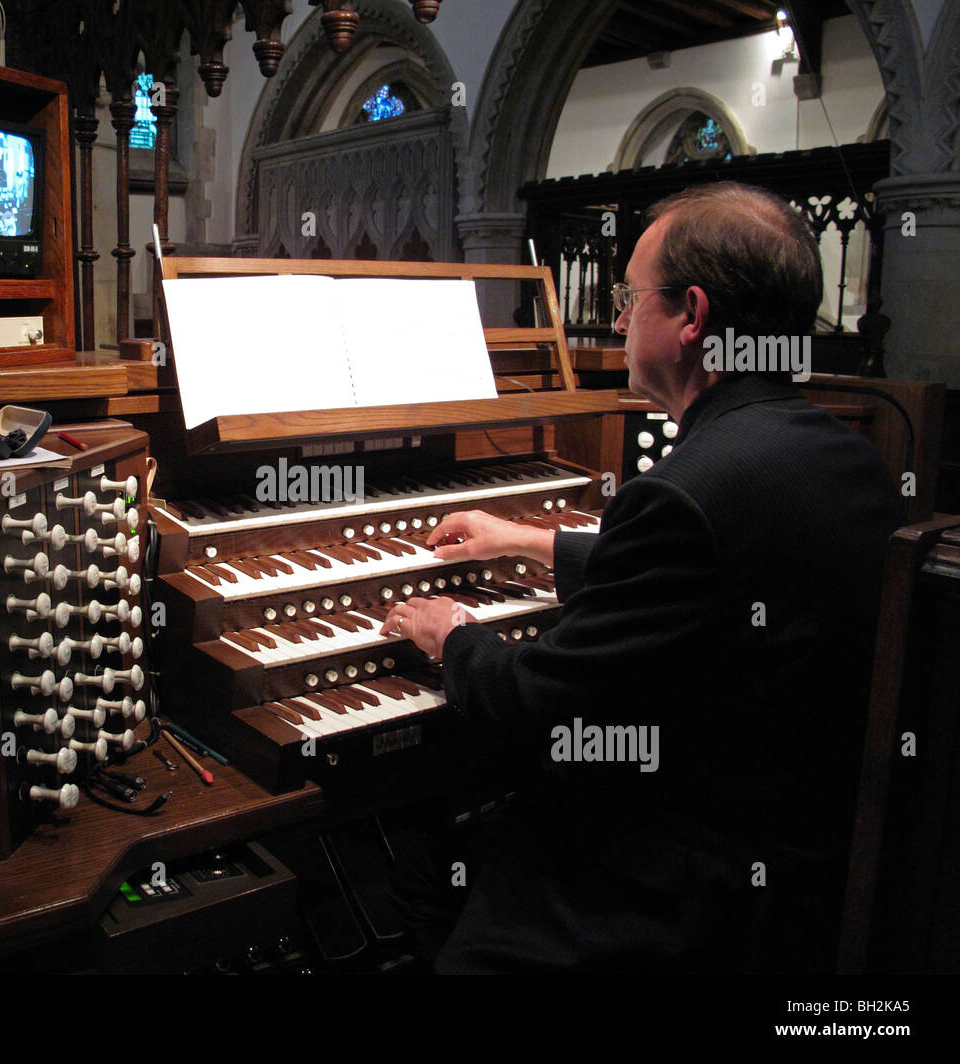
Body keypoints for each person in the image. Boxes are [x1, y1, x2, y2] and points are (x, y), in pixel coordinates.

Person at [381, 182, 903, 972]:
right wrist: (530, 540)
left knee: (422, 859)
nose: (619, 320)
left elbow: (539, 703)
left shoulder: (679, 494)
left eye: (630, 298)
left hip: (671, 900)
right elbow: (709, 583)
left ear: (692, 317)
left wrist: (451, 633)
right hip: (799, 868)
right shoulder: (850, 460)